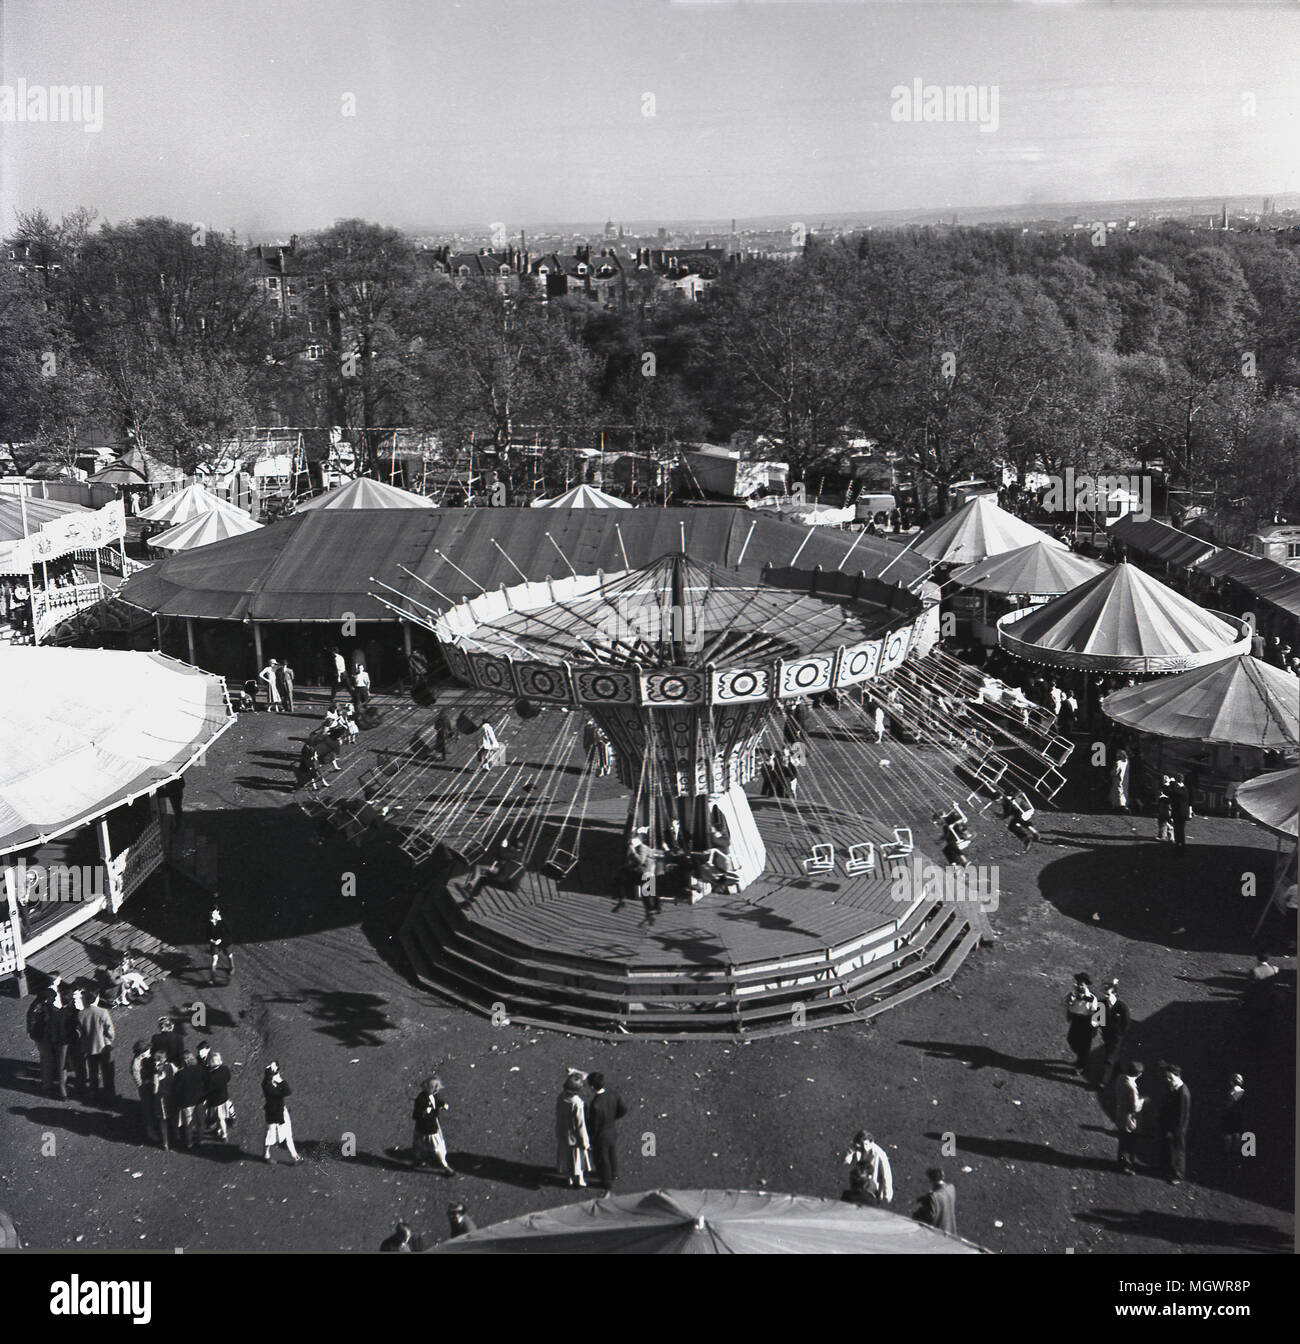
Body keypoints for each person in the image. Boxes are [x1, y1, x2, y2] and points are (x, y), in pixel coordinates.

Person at [586, 1072, 628, 1193]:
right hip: (611, 1130)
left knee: (603, 1159)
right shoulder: (613, 1094)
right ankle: (614, 1173)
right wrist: (612, 1118)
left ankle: (606, 1182)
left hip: (601, 1136)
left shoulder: (595, 1104)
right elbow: (623, 1110)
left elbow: (594, 1125)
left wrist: (591, 1138)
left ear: (592, 1087)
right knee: (612, 1152)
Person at [411, 1077, 455, 1175]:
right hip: (428, 1129)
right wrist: (424, 1112)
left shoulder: (432, 1096)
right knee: (437, 1148)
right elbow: (415, 1115)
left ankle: (419, 1160)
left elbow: (436, 1101)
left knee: (420, 1146)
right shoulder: (421, 1100)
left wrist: (442, 1104)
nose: (437, 1090)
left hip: (428, 1127)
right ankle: (445, 1167)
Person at [77, 988, 116, 1100]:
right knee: (107, 1073)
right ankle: (110, 1096)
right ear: (97, 998)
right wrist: (109, 1040)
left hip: (89, 1047)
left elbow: (80, 1032)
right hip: (103, 1046)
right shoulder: (103, 1012)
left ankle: (94, 1095)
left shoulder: (81, 1013)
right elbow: (110, 1030)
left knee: (93, 1073)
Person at [262, 1062, 303, 1164]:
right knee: (276, 1135)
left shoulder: (266, 1083)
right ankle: (267, 1154)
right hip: (277, 1113)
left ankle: (294, 1156)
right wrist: (280, 1081)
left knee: (275, 1135)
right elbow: (287, 1091)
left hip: (274, 1112)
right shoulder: (270, 1087)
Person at [556, 1073, 592, 1188]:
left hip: (562, 1133)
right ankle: (580, 1180)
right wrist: (585, 1142)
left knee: (566, 1157)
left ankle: (569, 1179)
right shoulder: (577, 1104)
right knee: (577, 1160)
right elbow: (580, 1125)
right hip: (574, 1137)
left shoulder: (561, 1097)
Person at [1159, 1063, 1191, 1185]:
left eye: (1170, 1077)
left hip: (1177, 1130)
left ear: (1178, 1076)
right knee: (1171, 1149)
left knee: (1178, 1151)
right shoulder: (1174, 1087)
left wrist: (1175, 1131)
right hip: (1170, 1126)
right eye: (1167, 1077)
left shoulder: (1183, 1093)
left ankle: (1178, 1174)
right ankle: (1170, 1169)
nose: (1168, 1080)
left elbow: (1182, 1116)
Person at [842, 1130, 893, 1205]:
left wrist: (888, 1194)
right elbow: (846, 1162)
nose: (864, 1147)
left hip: (873, 1188)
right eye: (862, 1144)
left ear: (871, 1142)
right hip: (859, 1185)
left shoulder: (879, 1153)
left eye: (866, 1144)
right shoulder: (858, 1150)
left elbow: (886, 1174)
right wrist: (850, 1152)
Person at [1064, 972, 1101, 1075]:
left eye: (1082, 984)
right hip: (1076, 1020)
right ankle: (1081, 1057)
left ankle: (1080, 1066)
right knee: (1071, 1039)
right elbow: (1066, 1004)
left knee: (1084, 1045)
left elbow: (1095, 1012)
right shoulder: (1073, 994)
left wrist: (1095, 1027)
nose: (1079, 985)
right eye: (1078, 983)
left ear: (1086, 985)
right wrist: (1069, 1001)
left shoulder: (1091, 998)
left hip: (1086, 1022)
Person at [1098, 981, 1131, 1089]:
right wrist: (1100, 1028)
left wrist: (1120, 1034)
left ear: (1115, 994)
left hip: (1117, 1036)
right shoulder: (1102, 1003)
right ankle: (1118, 1069)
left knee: (1109, 1058)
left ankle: (1104, 1081)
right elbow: (1099, 1018)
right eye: (1105, 994)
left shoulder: (1122, 1007)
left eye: (1108, 994)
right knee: (1110, 1052)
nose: (1106, 996)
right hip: (1106, 1034)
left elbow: (1126, 1023)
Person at [1114, 1060, 1144, 1174]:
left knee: (1122, 1143)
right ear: (1139, 1074)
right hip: (1129, 1120)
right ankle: (1126, 1166)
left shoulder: (1121, 1078)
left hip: (1120, 1114)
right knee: (1128, 1144)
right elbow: (1135, 1108)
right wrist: (1142, 1101)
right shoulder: (1132, 1088)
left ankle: (1121, 1163)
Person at [175, 1051, 207, 1149]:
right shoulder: (201, 1069)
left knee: (188, 1124)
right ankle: (200, 1140)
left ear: (184, 1061)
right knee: (200, 1122)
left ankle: (189, 1143)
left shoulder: (180, 1074)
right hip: (199, 1100)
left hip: (187, 1103)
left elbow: (177, 1089)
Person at [914, 1168, 957, 1235]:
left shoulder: (933, 1197)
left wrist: (917, 1214)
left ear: (931, 1180)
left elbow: (929, 1217)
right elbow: (943, 1195)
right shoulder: (951, 1188)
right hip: (950, 1230)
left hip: (939, 1232)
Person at [148, 1049, 176, 1151]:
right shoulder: (171, 1066)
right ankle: (177, 1135)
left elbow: (155, 1090)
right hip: (171, 1095)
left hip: (161, 1099)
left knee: (163, 1121)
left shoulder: (156, 1074)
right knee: (173, 1116)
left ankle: (165, 1142)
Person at [1244, 953, 1278, 1030]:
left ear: (1257, 959)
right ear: (1268, 959)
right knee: (1266, 1018)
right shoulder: (1274, 969)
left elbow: (1249, 986)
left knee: (1254, 1018)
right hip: (1269, 997)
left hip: (1256, 998)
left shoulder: (1254, 971)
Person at [130, 1040, 155, 1141]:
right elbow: (138, 1082)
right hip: (145, 1089)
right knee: (148, 1109)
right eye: (148, 1051)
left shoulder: (144, 1058)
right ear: (141, 1052)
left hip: (149, 1085)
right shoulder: (136, 1065)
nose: (150, 1052)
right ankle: (151, 1131)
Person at [205, 1050, 233, 1141]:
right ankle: (219, 1130)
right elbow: (228, 1078)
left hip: (216, 1100)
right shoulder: (225, 1069)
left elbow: (208, 1088)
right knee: (221, 1117)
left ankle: (224, 1134)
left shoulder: (211, 1075)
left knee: (220, 1118)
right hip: (224, 1097)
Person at [1221, 1073, 1248, 1159]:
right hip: (1239, 1120)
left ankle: (1227, 1157)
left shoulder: (1230, 1094)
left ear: (1231, 1082)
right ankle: (1235, 1157)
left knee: (1228, 1137)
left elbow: (1227, 1107)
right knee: (1237, 1136)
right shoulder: (1244, 1093)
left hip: (1229, 1119)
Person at [209, 904, 235, 981]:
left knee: (229, 955)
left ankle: (232, 967)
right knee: (214, 958)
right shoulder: (209, 922)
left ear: (218, 912)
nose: (212, 916)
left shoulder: (223, 922)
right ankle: (212, 977)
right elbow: (207, 934)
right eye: (210, 914)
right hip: (215, 942)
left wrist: (220, 940)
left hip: (226, 942)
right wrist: (211, 940)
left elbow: (228, 933)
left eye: (213, 913)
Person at [1168, 774, 1191, 848]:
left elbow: (1175, 792)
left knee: (1178, 828)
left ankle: (1179, 843)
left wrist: (1172, 782)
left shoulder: (1179, 789)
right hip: (1184, 811)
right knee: (1181, 828)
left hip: (1178, 811)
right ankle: (1181, 843)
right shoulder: (1185, 789)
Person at [1109, 748, 1130, 813]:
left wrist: (1110, 773)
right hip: (1125, 780)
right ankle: (1124, 806)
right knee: (1124, 793)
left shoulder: (1118, 763)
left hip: (1117, 779)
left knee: (1117, 793)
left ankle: (1117, 806)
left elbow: (1114, 772)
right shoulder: (1126, 762)